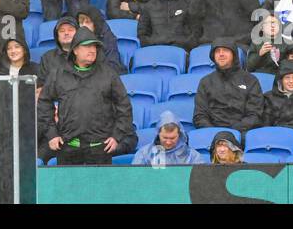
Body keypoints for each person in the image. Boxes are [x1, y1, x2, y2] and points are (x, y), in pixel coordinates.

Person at [36, 25, 135, 165]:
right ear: (75, 50)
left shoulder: (109, 74)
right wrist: (51, 134)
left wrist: (117, 136)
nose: (92, 50)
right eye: (87, 46)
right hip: (68, 148)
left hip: (100, 149)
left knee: (99, 187)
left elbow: (124, 106)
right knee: (69, 187)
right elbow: (44, 103)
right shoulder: (58, 74)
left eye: (94, 46)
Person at [193, 38, 265, 132]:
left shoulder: (250, 80)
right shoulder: (205, 82)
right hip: (212, 135)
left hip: (241, 133)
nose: (221, 54)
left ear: (234, 54)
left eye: (225, 50)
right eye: (217, 51)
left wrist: (233, 132)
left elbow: (254, 115)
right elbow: (200, 115)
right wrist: (215, 133)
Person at [133, 110, 205, 166]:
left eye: (172, 138)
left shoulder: (192, 156)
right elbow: (134, 178)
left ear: (179, 135)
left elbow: (200, 179)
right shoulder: (144, 154)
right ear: (158, 134)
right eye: (165, 137)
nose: (168, 142)